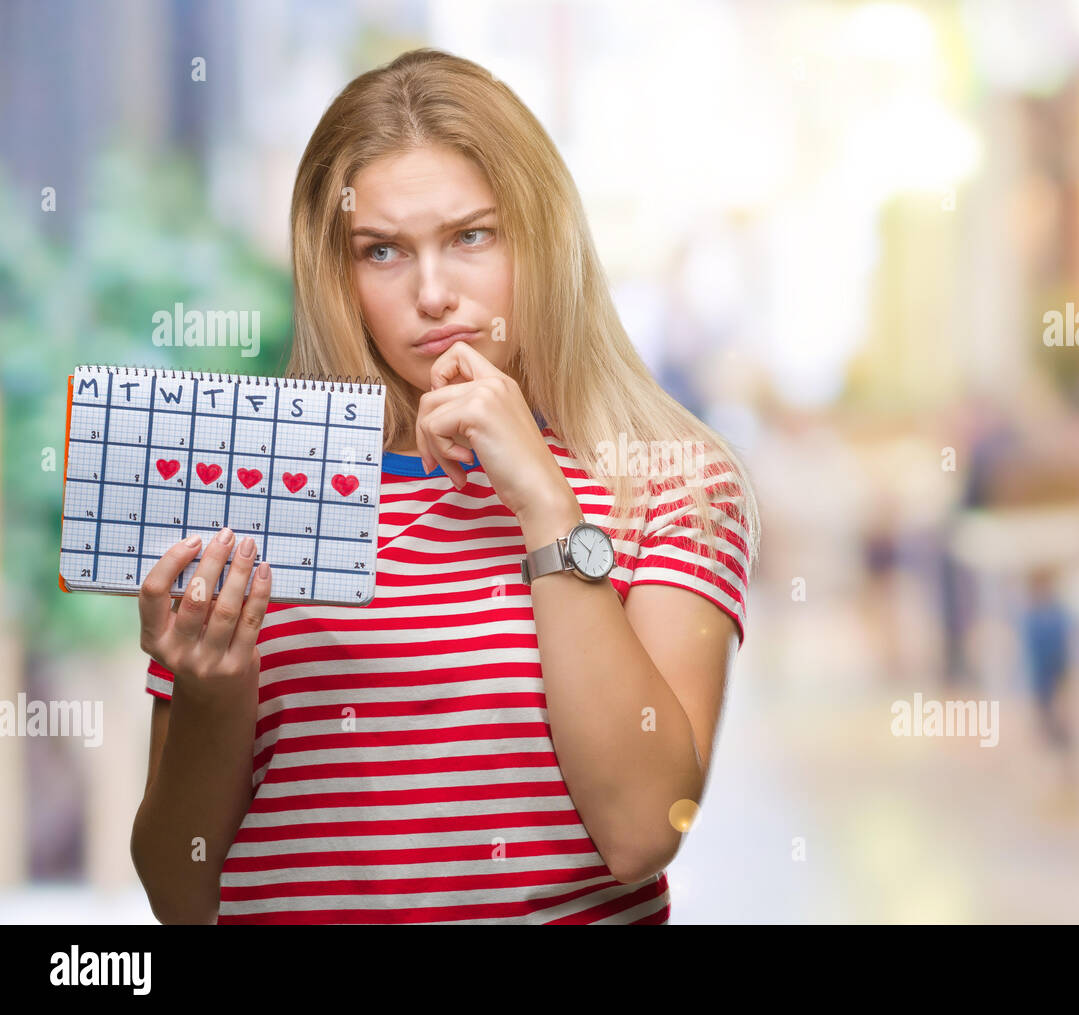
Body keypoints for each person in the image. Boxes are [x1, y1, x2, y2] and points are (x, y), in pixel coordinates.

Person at [129, 48, 759, 925]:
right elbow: (177, 893)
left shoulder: (673, 481)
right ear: (336, 274)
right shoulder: (253, 481)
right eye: (382, 251)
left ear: (542, 235)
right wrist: (210, 687)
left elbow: (643, 829)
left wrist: (544, 501)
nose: (433, 294)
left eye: (471, 236)